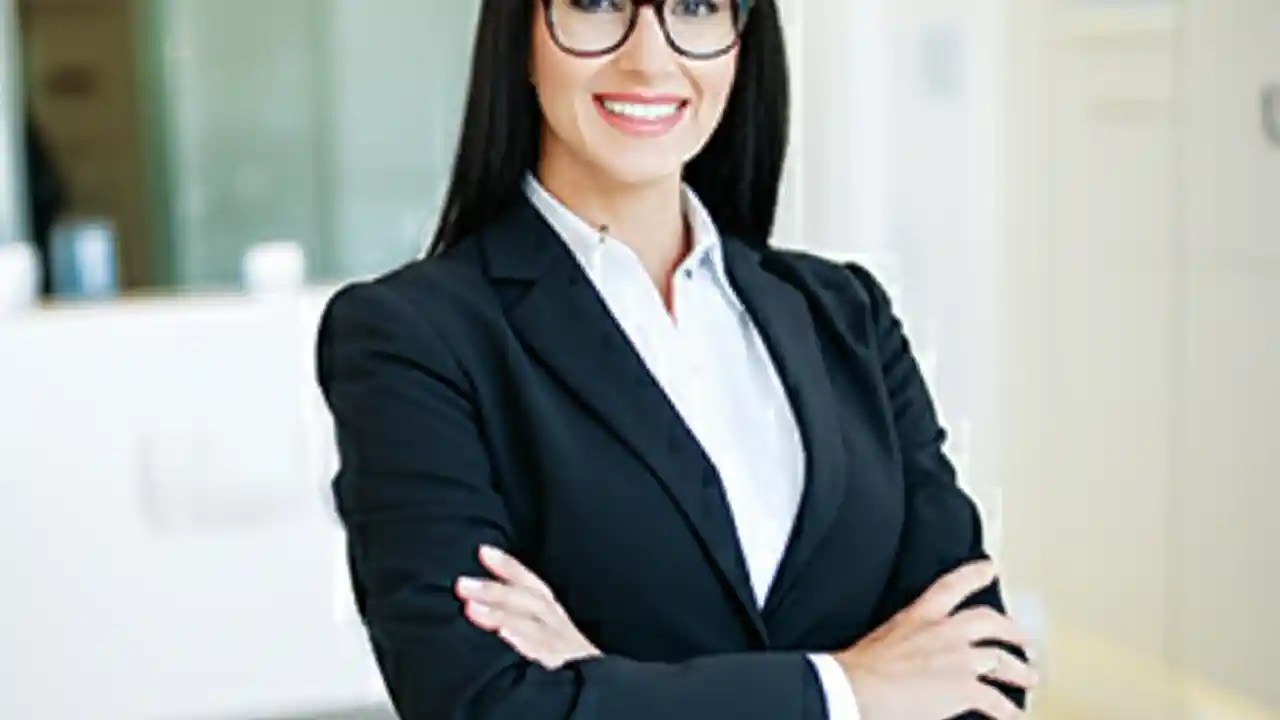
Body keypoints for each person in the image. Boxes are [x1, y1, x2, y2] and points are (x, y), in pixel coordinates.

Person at [315, 1, 1036, 718]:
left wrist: (603, 680)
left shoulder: (847, 315)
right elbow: (480, 703)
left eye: (695, 6)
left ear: (741, 40)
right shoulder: (412, 337)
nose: (650, 59)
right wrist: (849, 690)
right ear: (521, 35)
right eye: (596, 3)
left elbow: (983, 672)